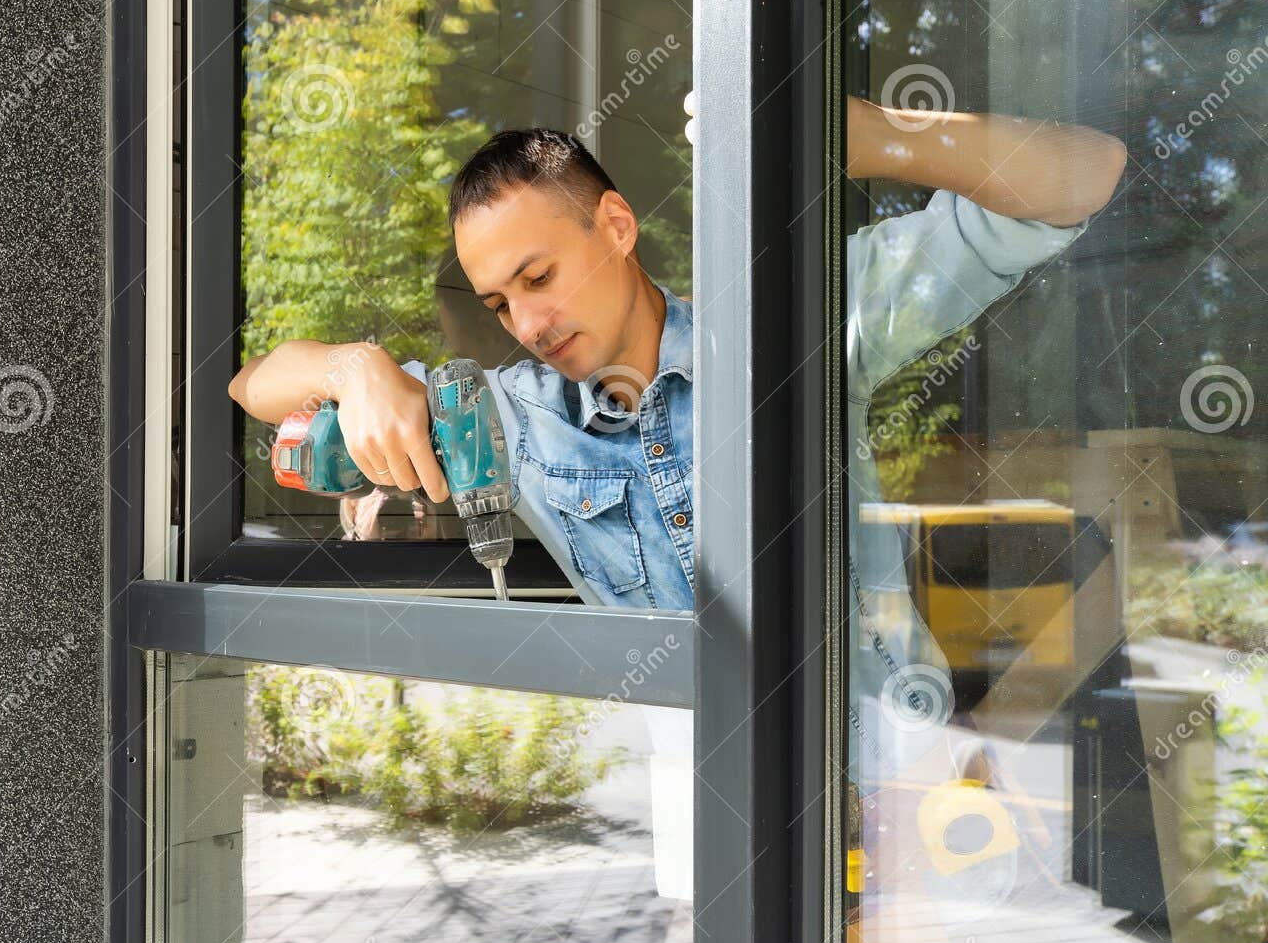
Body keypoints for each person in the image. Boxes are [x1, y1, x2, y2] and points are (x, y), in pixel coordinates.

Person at [230, 96, 1125, 622]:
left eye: (539, 276)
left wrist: (861, 134)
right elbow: (252, 386)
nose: (528, 324)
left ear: (616, 227)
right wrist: (355, 370)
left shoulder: (792, 324)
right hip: (701, 838)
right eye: (500, 302)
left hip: (879, 809)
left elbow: (1083, 178)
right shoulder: (507, 418)